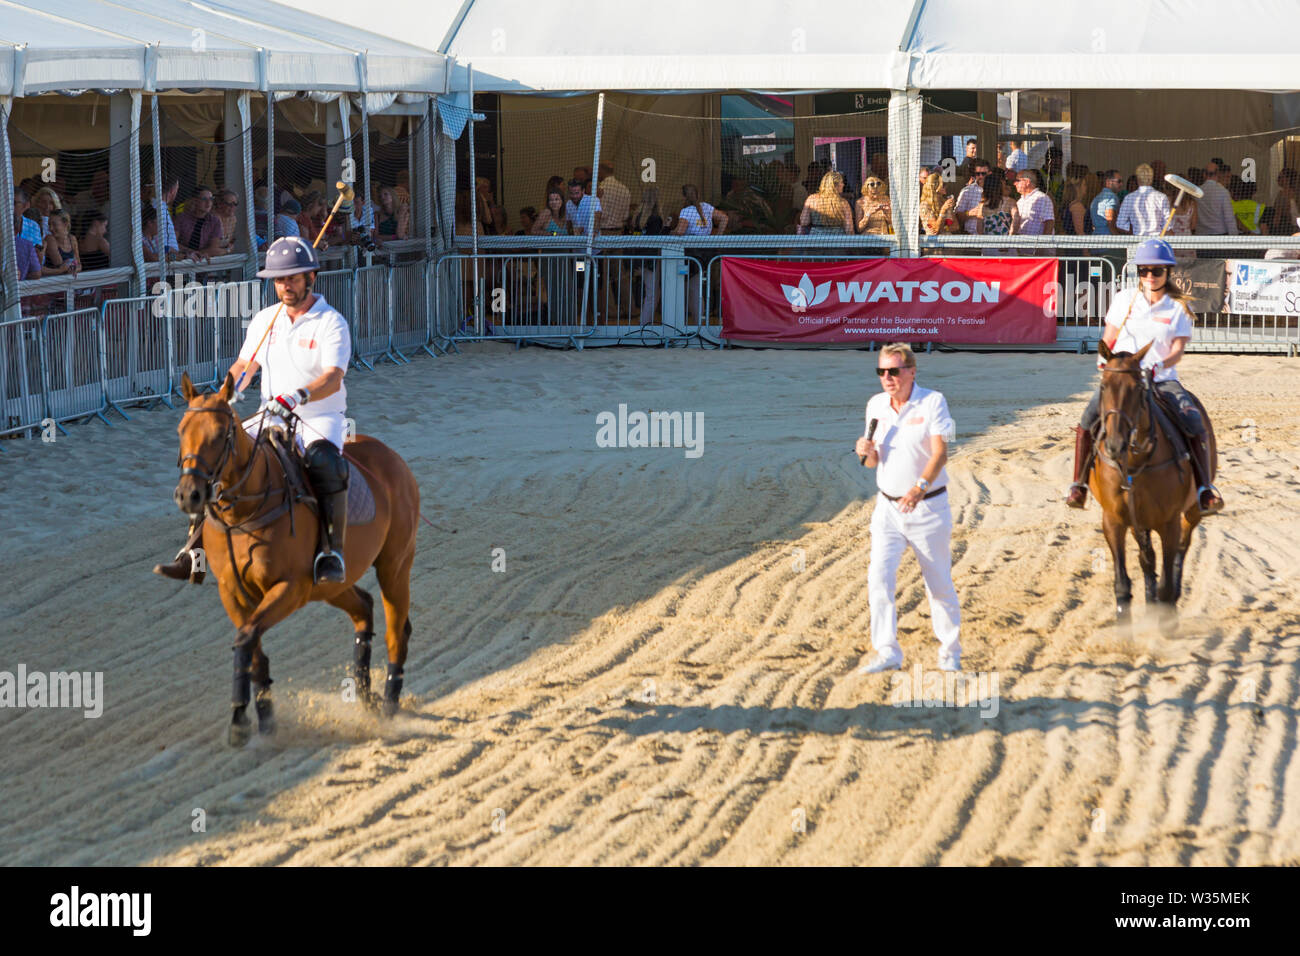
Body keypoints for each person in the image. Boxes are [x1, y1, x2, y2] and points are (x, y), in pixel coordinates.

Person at [153, 236, 353, 586]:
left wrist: (298, 396)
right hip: (269, 413)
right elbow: (246, 364)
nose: (285, 285)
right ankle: (192, 554)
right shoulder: (265, 319)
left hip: (318, 417)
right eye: (278, 279)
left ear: (311, 278)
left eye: (292, 277)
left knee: (326, 464)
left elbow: (333, 378)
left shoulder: (331, 322)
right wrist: (222, 397)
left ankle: (330, 552)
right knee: (215, 453)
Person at [1064, 238, 1223, 515]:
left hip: (1161, 378)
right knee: (1088, 419)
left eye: (1156, 271)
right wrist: (1105, 361)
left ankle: (1204, 488)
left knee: (1193, 420)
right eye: (1144, 270)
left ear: (1168, 272)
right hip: (1123, 377)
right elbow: (1109, 338)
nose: (1150, 276)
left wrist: (1157, 367)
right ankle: (1079, 485)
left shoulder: (1177, 307)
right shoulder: (1125, 299)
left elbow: (1177, 350)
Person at [855, 343, 962, 674]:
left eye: (894, 371)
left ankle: (949, 649)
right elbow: (871, 462)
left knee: (938, 582)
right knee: (879, 577)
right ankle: (887, 650)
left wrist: (919, 488)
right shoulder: (875, 405)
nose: (887, 378)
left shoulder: (932, 402)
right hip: (887, 507)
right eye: (881, 372)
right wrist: (865, 451)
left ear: (911, 372)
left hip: (927, 507)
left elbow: (940, 454)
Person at [1111, 164, 1170, 237]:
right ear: (1151, 178)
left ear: (1138, 179)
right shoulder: (1161, 197)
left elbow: (1120, 223)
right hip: (1156, 241)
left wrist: (1133, 228)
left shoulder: (1129, 198)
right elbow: (1168, 224)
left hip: (1137, 241)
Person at [972, 168, 1015, 255]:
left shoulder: (982, 205)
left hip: (989, 247)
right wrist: (1009, 240)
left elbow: (979, 229)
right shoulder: (1011, 202)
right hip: (1007, 245)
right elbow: (1016, 221)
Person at [1011, 169, 1055, 251]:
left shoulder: (1042, 198)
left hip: (1039, 254)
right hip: (1023, 252)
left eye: (1017, 180)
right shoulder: (1019, 202)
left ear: (1027, 182)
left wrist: (1041, 248)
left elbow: (1049, 223)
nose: (1014, 183)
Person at [798, 170, 853, 235]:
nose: (843, 185)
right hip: (837, 239)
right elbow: (849, 229)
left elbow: (804, 221)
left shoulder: (811, 199)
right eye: (841, 182)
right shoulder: (843, 203)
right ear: (835, 185)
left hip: (817, 238)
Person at [1195, 158, 1238, 236]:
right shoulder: (1223, 192)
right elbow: (1229, 218)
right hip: (1219, 235)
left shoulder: (1196, 192)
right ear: (1218, 174)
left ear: (1204, 174)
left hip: (1201, 235)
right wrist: (1234, 236)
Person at [953, 159, 991, 234]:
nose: (980, 176)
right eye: (977, 174)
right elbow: (957, 217)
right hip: (972, 235)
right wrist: (970, 213)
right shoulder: (967, 191)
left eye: (983, 174)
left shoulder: (995, 190)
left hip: (992, 235)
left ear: (989, 173)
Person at [1059, 163, 1096, 236]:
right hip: (1078, 245)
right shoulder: (1077, 207)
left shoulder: (1073, 204)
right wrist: (1086, 247)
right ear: (1078, 187)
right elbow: (1080, 232)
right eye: (1084, 185)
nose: (1086, 188)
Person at [595, 162, 630, 234]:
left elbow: (602, 213)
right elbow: (626, 216)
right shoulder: (624, 189)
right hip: (619, 232)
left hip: (604, 231)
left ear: (601, 171)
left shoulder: (602, 188)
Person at [41, 210, 79, 278]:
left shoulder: (72, 239)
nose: (50, 228)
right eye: (49, 224)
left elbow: (79, 264)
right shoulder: (49, 239)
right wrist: (73, 266)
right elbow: (61, 266)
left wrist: (75, 268)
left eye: (54, 224)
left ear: (65, 224)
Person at [1089, 170, 1121, 235]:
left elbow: (1093, 225)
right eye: (1119, 181)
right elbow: (1110, 221)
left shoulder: (1096, 198)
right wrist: (1118, 238)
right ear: (1108, 182)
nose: (1121, 184)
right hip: (1107, 239)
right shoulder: (1112, 197)